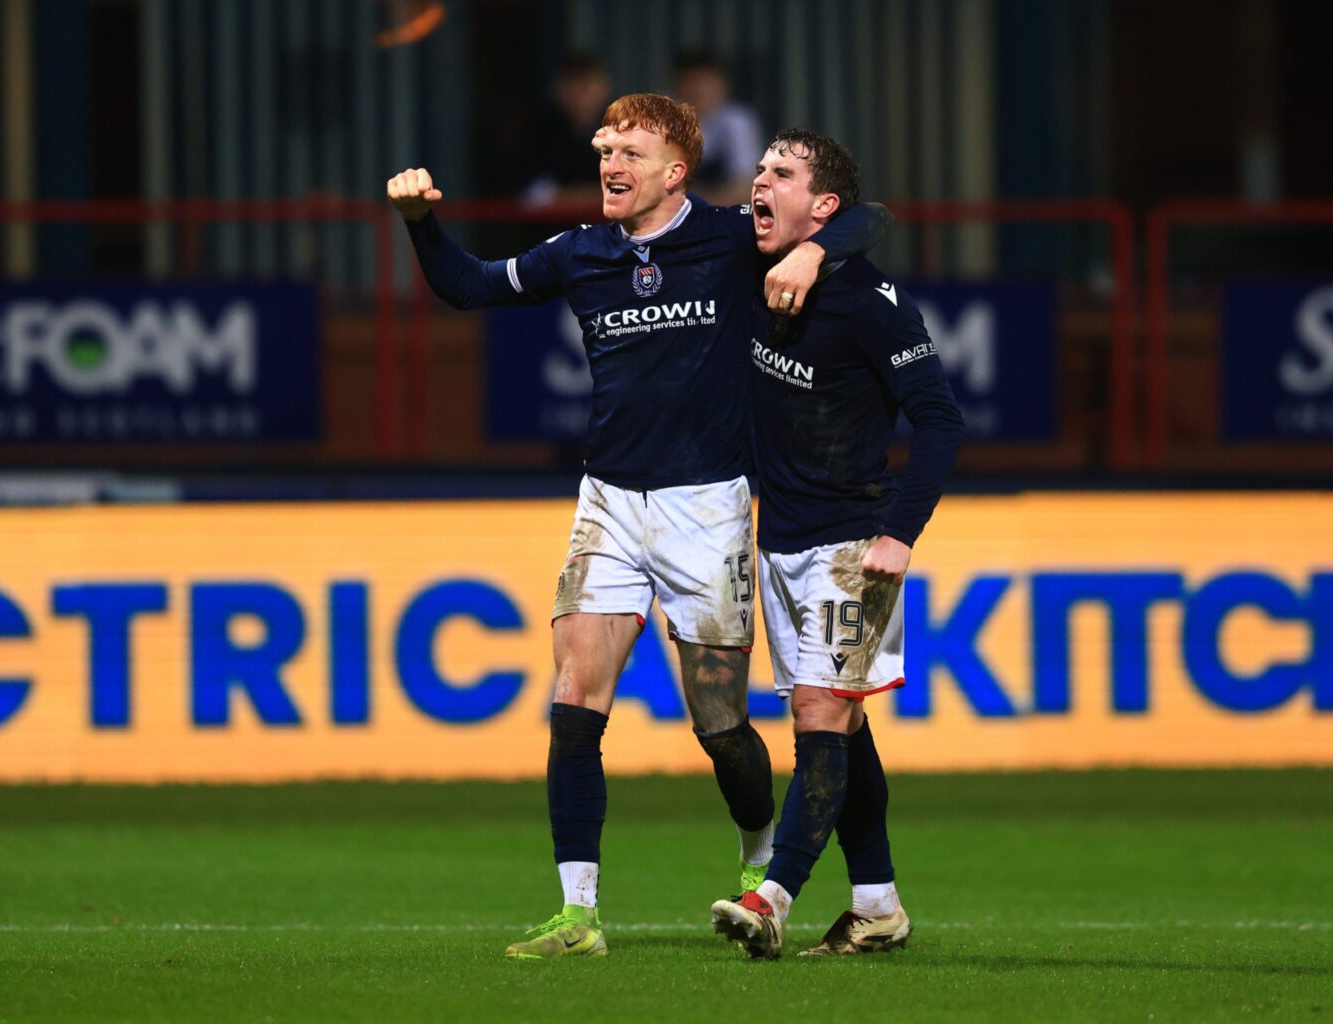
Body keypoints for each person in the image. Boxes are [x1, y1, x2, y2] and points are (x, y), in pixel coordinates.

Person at [386, 95, 893, 959]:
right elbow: (468, 287)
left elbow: (869, 218)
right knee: (574, 701)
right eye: (606, 151)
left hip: (709, 507)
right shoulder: (579, 252)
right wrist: (420, 224)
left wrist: (810, 250)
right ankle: (577, 914)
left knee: (721, 726)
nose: (610, 165)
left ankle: (758, 850)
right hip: (610, 502)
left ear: (676, 171)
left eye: (630, 152)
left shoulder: (731, 238)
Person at [709, 128, 965, 959]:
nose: (759, 181)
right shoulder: (749, 263)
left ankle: (772, 896)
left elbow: (940, 420)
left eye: (780, 172)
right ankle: (878, 906)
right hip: (780, 543)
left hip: (853, 545)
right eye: (759, 168)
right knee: (843, 726)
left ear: (823, 206)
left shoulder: (871, 304)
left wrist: (900, 534)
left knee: (820, 713)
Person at [520, 53, 613, 206]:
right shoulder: (540, 133)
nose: (583, 95)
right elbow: (534, 193)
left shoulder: (622, 130)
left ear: (605, 88)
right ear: (559, 89)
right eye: (576, 85)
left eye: (590, 85)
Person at [672, 50, 760, 205]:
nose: (698, 89)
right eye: (691, 82)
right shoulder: (664, 122)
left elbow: (745, 187)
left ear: (723, 85)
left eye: (706, 82)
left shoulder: (737, 122)